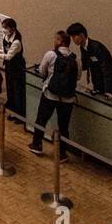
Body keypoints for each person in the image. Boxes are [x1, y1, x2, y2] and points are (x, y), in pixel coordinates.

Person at [29, 31, 78, 159]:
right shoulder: (75, 58)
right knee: (64, 126)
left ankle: (37, 145)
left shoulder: (51, 54)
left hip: (50, 94)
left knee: (41, 119)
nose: (54, 41)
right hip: (68, 98)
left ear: (60, 41)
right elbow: (78, 77)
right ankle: (62, 153)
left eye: (55, 39)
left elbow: (42, 70)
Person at [65, 23, 112, 100]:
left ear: (81, 35)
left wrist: (109, 91)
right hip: (100, 84)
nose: (73, 40)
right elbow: (85, 65)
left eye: (74, 36)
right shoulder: (83, 47)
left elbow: (107, 69)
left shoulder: (97, 47)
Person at [1, 17, 26, 122]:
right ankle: (12, 111)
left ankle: (20, 115)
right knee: (10, 89)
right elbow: (4, 51)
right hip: (9, 67)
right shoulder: (5, 36)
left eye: (5, 28)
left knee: (18, 91)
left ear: (12, 29)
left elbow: (8, 56)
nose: (4, 30)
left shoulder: (17, 42)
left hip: (17, 69)